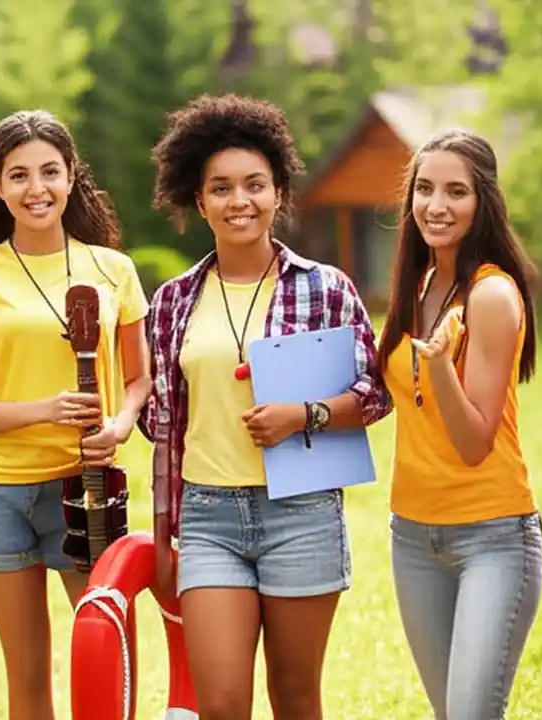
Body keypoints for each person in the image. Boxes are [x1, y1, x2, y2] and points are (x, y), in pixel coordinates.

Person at [139, 93, 391, 720]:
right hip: (208, 517)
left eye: (255, 184)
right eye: (221, 188)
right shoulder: (172, 302)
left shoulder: (326, 289)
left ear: (279, 192)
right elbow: (161, 423)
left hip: (300, 514)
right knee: (222, 703)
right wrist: (166, 530)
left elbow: (375, 394)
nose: (239, 201)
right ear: (199, 202)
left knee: (296, 698)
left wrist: (304, 415)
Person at [0, 109, 150, 720]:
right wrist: (47, 409)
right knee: (27, 680)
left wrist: (118, 425)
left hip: (87, 492)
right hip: (3, 494)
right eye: (19, 175)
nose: (37, 188)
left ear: (71, 178)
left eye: (50, 172)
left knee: (107, 662)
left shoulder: (114, 270)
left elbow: (139, 379)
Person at [374, 128, 542, 719]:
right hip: (413, 536)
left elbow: (474, 442)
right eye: (424, 189)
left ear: (483, 202)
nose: (436, 206)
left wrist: (441, 365)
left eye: (456, 192)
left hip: (492, 536)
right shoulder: (419, 285)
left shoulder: (491, 296)